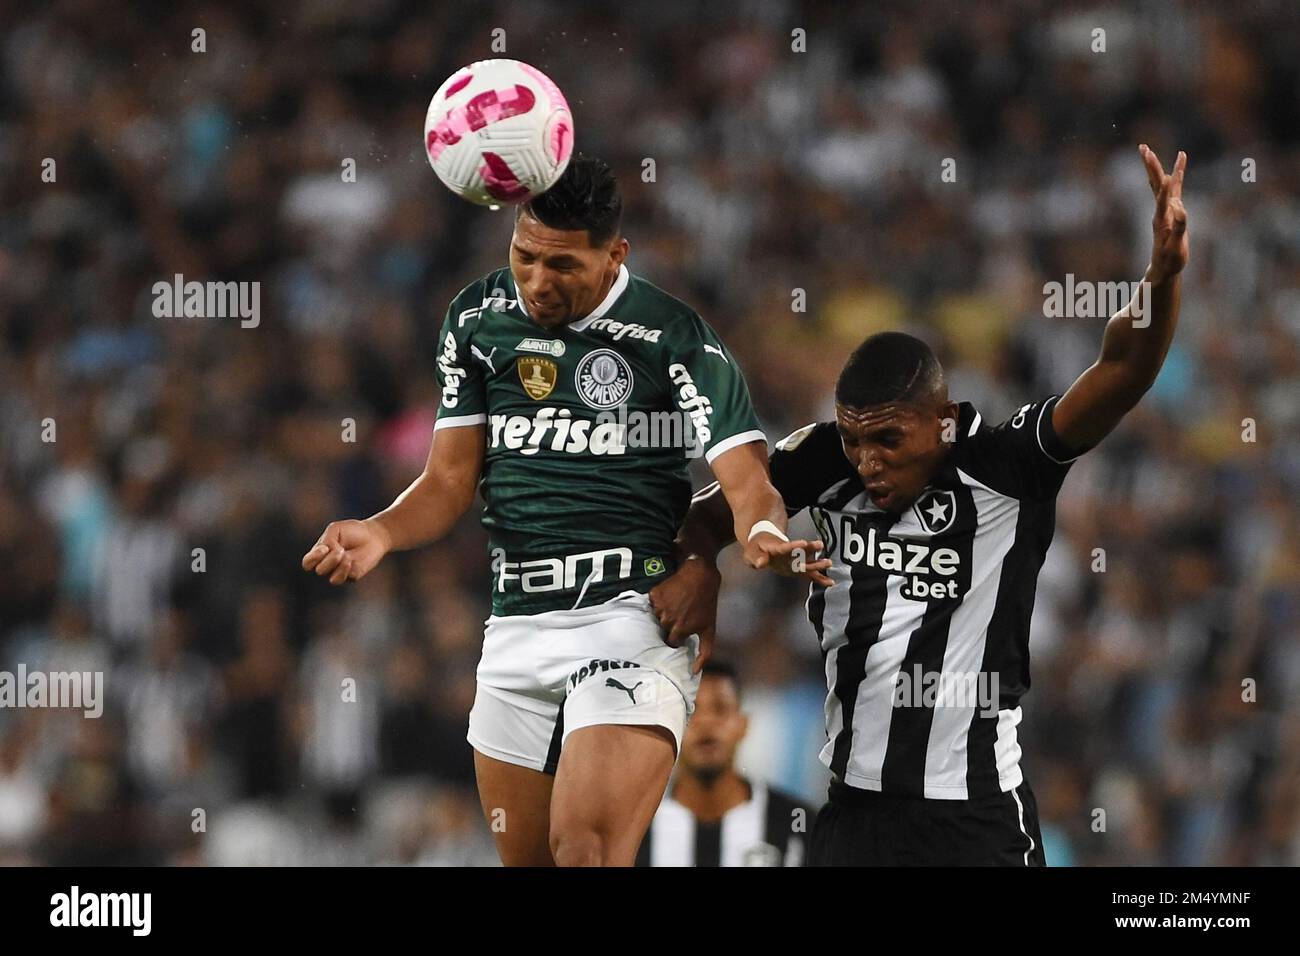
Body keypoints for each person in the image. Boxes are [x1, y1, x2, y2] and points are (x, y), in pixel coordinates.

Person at [674, 146, 1189, 865]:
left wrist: (1161, 281)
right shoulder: (824, 459)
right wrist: (705, 565)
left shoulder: (1007, 466)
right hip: (855, 817)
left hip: (977, 819)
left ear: (943, 417)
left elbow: (1122, 368)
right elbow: (708, 507)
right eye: (854, 440)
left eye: (888, 438)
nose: (867, 460)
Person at [301, 155, 819, 866]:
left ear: (616, 255)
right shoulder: (477, 319)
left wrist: (760, 530)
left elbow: (744, 473)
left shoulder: (673, 336)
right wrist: (382, 531)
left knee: (584, 852)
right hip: (515, 626)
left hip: (629, 621)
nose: (539, 283)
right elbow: (451, 480)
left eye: (564, 266)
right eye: (525, 257)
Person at [636, 661, 813, 866]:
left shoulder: (796, 822)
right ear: (671, 725)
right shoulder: (636, 825)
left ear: (743, 725)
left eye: (720, 709)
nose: (706, 722)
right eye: (690, 712)